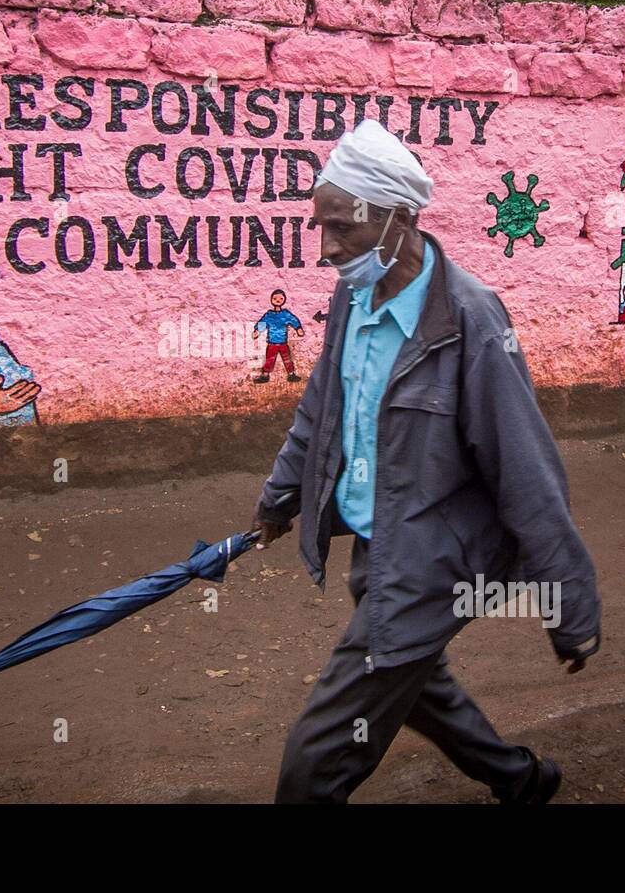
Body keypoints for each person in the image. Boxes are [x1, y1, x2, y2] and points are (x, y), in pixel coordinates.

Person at [251, 119, 602, 804]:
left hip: (435, 563)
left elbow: (525, 467)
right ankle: (521, 780)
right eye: (319, 227)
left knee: (313, 763)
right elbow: (321, 412)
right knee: (418, 687)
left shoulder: (470, 319)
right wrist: (277, 501)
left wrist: (571, 608)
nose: (326, 248)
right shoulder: (353, 295)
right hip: (379, 550)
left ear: (400, 219)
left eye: (343, 228)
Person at [253, 289, 304, 383]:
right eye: (275, 298)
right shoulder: (269, 315)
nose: (278, 300)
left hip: (283, 342)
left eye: (280, 298)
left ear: (284, 299)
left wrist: (298, 328)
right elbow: (263, 322)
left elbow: (293, 320)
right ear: (271, 299)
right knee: (269, 360)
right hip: (272, 342)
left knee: (287, 359)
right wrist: (257, 331)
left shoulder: (285, 314)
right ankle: (265, 375)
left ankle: (291, 374)